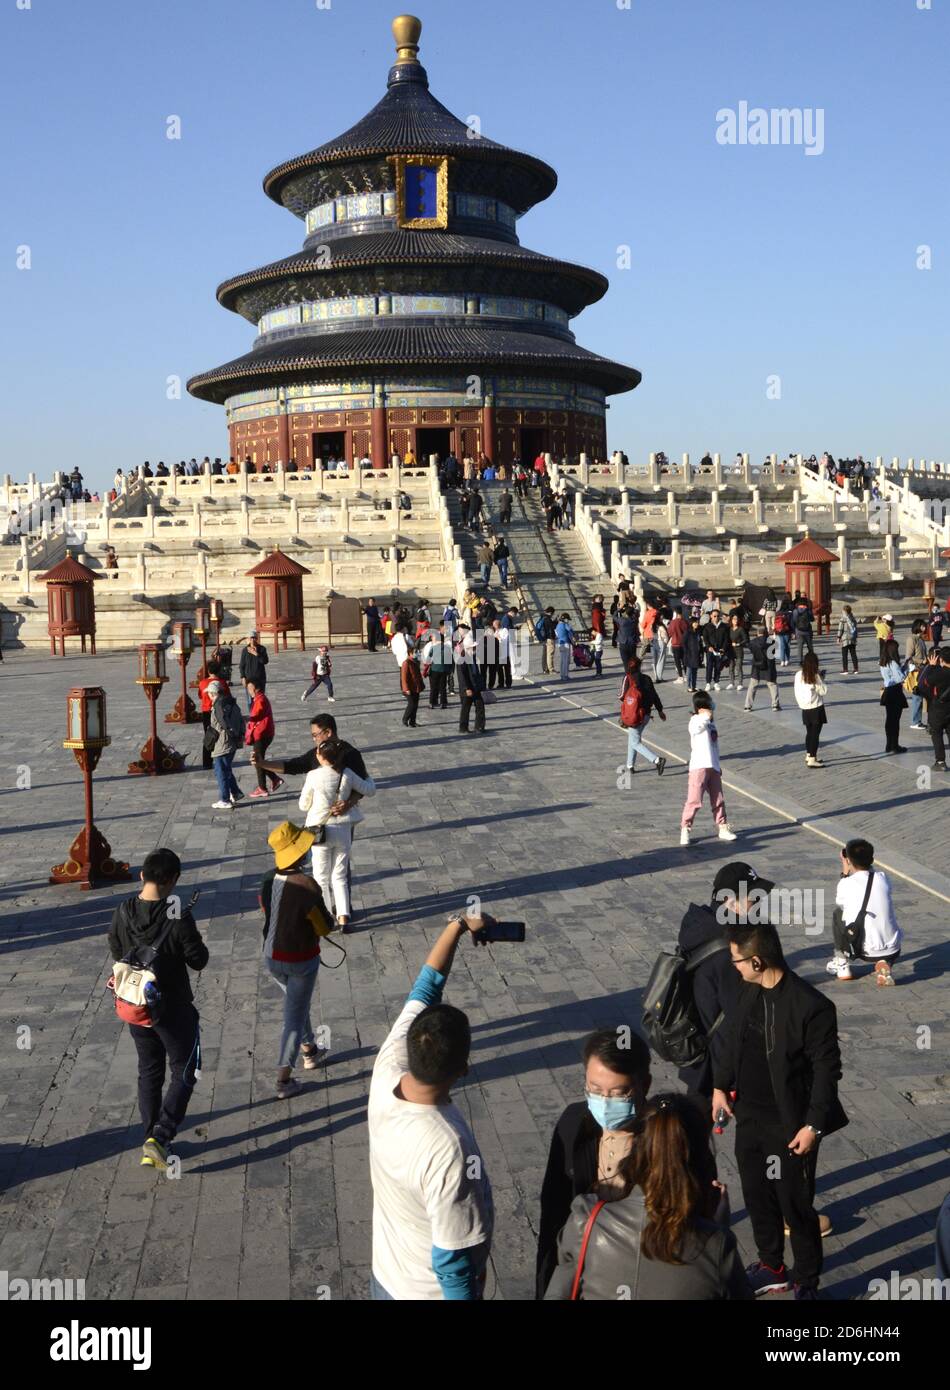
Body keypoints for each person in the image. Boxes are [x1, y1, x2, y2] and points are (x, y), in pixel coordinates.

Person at [712, 920, 848, 1299]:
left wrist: (813, 1127)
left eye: (737, 960)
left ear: (758, 961)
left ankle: (807, 1281)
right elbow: (732, 1042)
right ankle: (772, 1265)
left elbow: (827, 1071)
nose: (733, 966)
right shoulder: (746, 990)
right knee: (757, 1195)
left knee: (796, 1207)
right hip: (750, 1118)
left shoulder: (812, 1006)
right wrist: (720, 1087)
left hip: (791, 1126)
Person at [368, 913, 495, 1300]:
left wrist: (457, 925)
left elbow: (426, 987)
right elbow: (452, 1267)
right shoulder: (448, 1148)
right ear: (463, 1069)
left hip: (386, 1277)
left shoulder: (388, 1069)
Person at [544, 1094, 752, 1301]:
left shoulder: (587, 1221)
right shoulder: (718, 1245)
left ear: (636, 1154)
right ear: (703, 1161)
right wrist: (716, 1227)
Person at [108, 848, 208, 1170]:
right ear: (173, 880)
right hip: (172, 1008)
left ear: (142, 875)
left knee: (149, 1070)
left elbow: (116, 949)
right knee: (186, 1067)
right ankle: (161, 1137)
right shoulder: (177, 916)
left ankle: (150, 1136)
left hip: (135, 1005)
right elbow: (198, 960)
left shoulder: (122, 911)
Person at [536, 1027, 652, 1297]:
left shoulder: (662, 1136)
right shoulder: (573, 1124)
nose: (605, 1102)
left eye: (619, 1093)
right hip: (584, 1273)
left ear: (644, 1085)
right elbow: (554, 1212)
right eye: (595, 1090)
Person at [260, 821, 333, 1098]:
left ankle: (310, 1050)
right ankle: (283, 1080)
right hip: (300, 960)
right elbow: (325, 927)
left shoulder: (267, 879)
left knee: (296, 1004)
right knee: (293, 1017)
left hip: (271, 955)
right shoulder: (308, 885)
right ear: (300, 853)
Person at [298, 736, 374, 930]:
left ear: (320, 756)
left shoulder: (313, 776)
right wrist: (366, 775)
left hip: (319, 831)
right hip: (343, 829)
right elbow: (370, 789)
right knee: (339, 875)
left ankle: (325, 917)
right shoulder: (347, 773)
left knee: (320, 876)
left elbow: (303, 805)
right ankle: (343, 917)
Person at [827, 839, 903, 986]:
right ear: (872, 860)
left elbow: (841, 903)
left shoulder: (846, 883)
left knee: (838, 914)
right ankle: (884, 961)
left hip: (861, 948)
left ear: (848, 860)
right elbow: (871, 878)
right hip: (893, 948)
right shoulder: (883, 877)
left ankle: (842, 963)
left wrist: (845, 871)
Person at [680, 691, 736, 846]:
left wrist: (718, 766)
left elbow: (714, 745)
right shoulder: (695, 720)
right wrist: (705, 716)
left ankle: (722, 827)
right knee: (694, 800)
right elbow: (695, 730)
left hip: (713, 767)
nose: (712, 705)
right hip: (699, 766)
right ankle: (685, 828)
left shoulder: (711, 723)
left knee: (718, 800)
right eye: (709, 702)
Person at [619, 655, 667, 777]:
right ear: (639, 666)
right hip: (646, 715)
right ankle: (630, 766)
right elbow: (654, 695)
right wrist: (660, 710)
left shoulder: (628, 678)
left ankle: (657, 760)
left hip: (634, 715)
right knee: (633, 739)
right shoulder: (647, 678)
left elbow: (621, 696)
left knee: (635, 742)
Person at [207, 678, 245, 809]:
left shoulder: (218, 705)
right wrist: (238, 735)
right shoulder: (231, 702)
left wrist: (230, 732)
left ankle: (225, 799)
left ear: (213, 693)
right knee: (226, 769)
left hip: (222, 743)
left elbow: (223, 723)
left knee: (221, 771)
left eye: (209, 693)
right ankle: (236, 792)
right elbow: (240, 719)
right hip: (232, 742)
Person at [245, 680, 282, 798]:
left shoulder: (260, 700)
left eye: (249, 688)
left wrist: (244, 718)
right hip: (264, 734)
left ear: (256, 689)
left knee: (257, 760)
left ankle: (262, 787)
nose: (248, 691)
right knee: (258, 760)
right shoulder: (259, 698)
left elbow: (257, 715)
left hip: (262, 735)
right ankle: (274, 779)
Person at [917, 647, 950, 770]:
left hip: (938, 709)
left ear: (941, 659)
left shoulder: (938, 673)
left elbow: (921, 685)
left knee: (937, 734)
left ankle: (940, 762)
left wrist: (930, 666)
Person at [794, 652, 828, 768]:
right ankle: (812, 758)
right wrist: (822, 678)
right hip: (816, 707)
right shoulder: (814, 675)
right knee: (815, 734)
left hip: (804, 707)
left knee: (809, 732)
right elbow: (823, 691)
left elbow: (796, 689)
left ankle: (809, 754)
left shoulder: (799, 674)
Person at [198, 658, 229, 771]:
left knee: (208, 735)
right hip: (219, 711)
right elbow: (227, 697)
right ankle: (220, 758)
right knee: (221, 734)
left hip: (206, 711)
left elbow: (200, 696)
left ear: (208, 671)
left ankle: (206, 763)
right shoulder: (222, 683)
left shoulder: (202, 683)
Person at [879, 637, 909, 754]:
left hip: (888, 691)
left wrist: (903, 667)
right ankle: (894, 745)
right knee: (895, 720)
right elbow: (900, 678)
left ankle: (889, 744)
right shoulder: (893, 662)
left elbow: (893, 675)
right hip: (895, 692)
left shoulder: (883, 661)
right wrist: (907, 670)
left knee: (889, 719)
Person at [456, 626, 486, 734]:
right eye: (472, 648)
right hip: (468, 688)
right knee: (466, 707)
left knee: (479, 706)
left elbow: (475, 673)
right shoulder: (462, 660)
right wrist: (466, 688)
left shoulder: (471, 658)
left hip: (475, 686)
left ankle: (479, 727)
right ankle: (463, 727)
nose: (474, 649)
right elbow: (462, 676)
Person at [744, 625, 781, 710]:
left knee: (753, 685)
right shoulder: (771, 641)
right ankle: (775, 705)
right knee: (772, 684)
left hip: (757, 665)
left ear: (757, 633)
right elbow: (773, 653)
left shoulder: (753, 642)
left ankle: (747, 706)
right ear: (765, 632)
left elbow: (750, 648)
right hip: (769, 665)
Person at [422, 624, 453, 708]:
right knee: (443, 687)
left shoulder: (433, 647)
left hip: (434, 669)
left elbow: (428, 659)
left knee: (434, 687)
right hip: (444, 670)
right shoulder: (447, 648)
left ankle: (432, 703)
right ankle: (443, 703)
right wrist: (449, 669)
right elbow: (450, 661)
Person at [904, 620, 928, 729]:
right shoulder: (912, 639)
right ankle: (915, 721)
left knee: (920, 696)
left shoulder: (921, 639)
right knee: (917, 696)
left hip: (923, 669)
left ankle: (918, 721)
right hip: (916, 671)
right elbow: (909, 656)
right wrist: (920, 661)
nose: (925, 627)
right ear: (918, 626)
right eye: (923, 626)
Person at [701, 609, 731, 691]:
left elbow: (726, 639)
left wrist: (723, 648)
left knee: (718, 667)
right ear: (711, 616)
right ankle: (708, 683)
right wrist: (708, 646)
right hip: (710, 650)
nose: (716, 618)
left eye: (718, 616)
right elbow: (705, 638)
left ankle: (716, 682)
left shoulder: (723, 626)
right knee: (709, 666)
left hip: (720, 650)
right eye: (714, 616)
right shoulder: (707, 626)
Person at [239, 631, 268, 712]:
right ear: (248, 639)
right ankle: (252, 715)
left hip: (260, 679)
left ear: (257, 639)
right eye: (251, 638)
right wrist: (243, 677)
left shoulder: (262, 649)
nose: (253, 640)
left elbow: (265, 661)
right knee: (250, 700)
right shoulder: (245, 650)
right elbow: (242, 665)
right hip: (249, 680)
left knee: (260, 699)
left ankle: (261, 714)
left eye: (254, 638)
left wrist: (256, 654)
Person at [400, 643, 425, 727]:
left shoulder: (415, 662)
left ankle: (412, 722)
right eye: (415, 652)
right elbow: (404, 677)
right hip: (409, 688)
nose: (417, 654)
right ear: (410, 653)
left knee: (416, 705)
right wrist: (406, 689)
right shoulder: (406, 663)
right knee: (411, 704)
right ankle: (405, 719)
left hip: (416, 687)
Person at [725, 613, 747, 690]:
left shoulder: (741, 629)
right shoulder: (729, 629)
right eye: (734, 619)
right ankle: (731, 682)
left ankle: (740, 683)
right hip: (731, 651)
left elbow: (745, 640)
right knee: (731, 667)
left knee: (739, 667)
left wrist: (738, 644)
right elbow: (726, 639)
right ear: (731, 620)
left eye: (737, 619)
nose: (735, 620)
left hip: (739, 651)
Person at [683, 615, 704, 693]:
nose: (696, 624)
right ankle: (688, 686)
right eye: (695, 622)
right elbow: (684, 643)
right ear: (691, 623)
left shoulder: (698, 632)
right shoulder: (688, 632)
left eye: (697, 622)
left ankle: (694, 686)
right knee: (689, 671)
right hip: (690, 655)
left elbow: (700, 643)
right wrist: (687, 652)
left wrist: (701, 653)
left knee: (695, 672)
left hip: (697, 655)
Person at [837, 604, 859, 674]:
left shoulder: (843, 619)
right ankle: (856, 669)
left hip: (845, 639)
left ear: (844, 611)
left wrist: (838, 637)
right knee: (853, 654)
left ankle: (845, 670)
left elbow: (840, 629)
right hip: (852, 638)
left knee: (844, 655)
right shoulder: (853, 618)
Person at [555, 612, 574, 682]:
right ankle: (565, 675)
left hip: (560, 643)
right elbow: (571, 631)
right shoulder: (565, 625)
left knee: (562, 660)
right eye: (567, 619)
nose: (568, 620)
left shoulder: (557, 625)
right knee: (566, 661)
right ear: (564, 619)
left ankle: (562, 675)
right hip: (566, 643)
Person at [538, 606, 557, 675]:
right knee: (550, 654)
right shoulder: (547, 619)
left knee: (545, 654)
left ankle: (545, 669)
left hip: (544, 638)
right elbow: (552, 627)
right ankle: (551, 669)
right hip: (549, 638)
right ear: (551, 613)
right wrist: (556, 621)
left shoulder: (542, 617)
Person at [773, 601, 792, 666]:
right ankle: (787, 660)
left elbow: (775, 623)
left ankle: (782, 661)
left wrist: (775, 631)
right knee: (787, 646)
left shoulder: (778, 613)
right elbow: (790, 623)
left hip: (779, 631)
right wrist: (792, 632)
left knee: (782, 646)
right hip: (787, 631)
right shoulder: (788, 613)